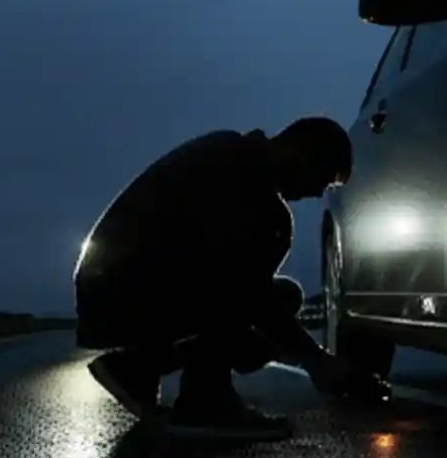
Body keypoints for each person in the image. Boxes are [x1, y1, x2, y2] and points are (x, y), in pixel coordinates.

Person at [74, 116, 391, 440]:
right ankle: (204, 401)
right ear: (299, 151)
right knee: (263, 286)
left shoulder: (234, 159)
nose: (316, 193)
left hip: (119, 285)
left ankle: (138, 368)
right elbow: (240, 286)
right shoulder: (236, 175)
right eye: (322, 179)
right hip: (117, 288)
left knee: (284, 298)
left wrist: (306, 356)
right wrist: (316, 361)